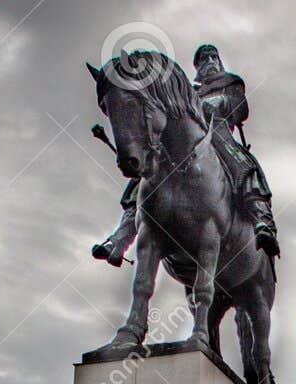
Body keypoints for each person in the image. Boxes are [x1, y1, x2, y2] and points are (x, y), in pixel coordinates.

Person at [93, 44, 279, 266]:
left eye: (213, 57)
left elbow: (240, 108)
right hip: (186, 144)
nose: (209, 61)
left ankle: (262, 220)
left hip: (217, 134)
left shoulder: (230, 82)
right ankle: (121, 238)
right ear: (197, 66)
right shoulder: (189, 90)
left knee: (244, 163)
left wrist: (222, 102)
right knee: (146, 174)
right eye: (203, 59)